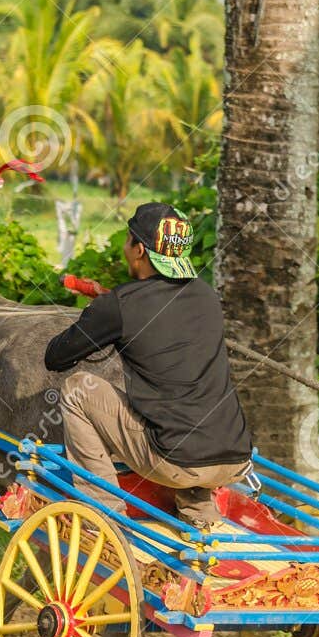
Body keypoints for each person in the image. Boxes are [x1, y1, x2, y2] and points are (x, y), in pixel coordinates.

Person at [44, 202, 253, 527]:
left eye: (128, 241)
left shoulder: (120, 305)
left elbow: (56, 356)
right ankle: (201, 515)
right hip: (236, 458)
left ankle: (103, 515)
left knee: (76, 390)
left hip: (177, 463)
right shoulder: (207, 295)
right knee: (186, 400)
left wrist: (98, 316)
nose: (125, 249)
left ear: (139, 249)